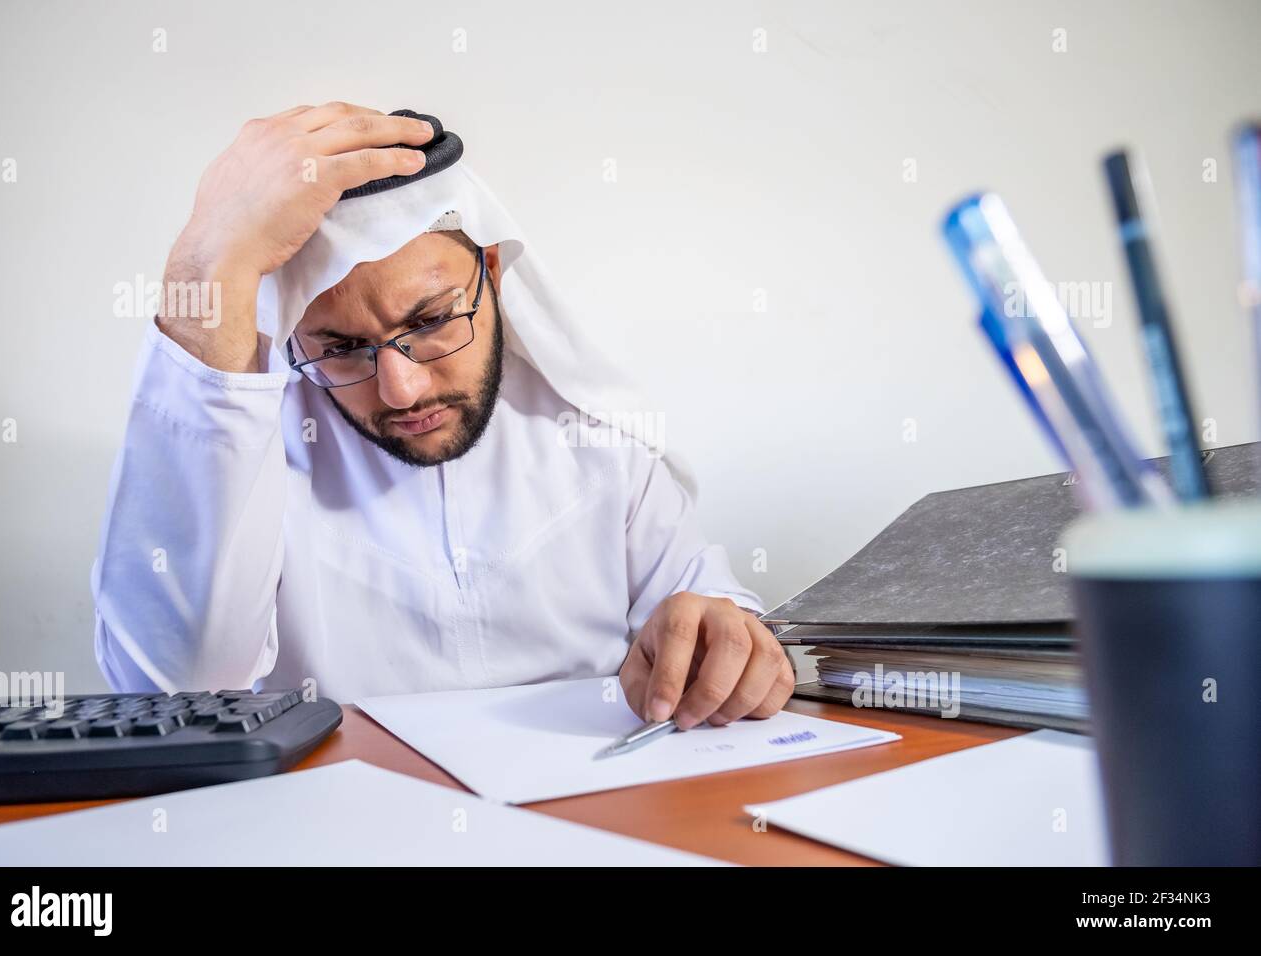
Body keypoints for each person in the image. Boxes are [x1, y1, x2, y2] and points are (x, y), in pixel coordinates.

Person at [92, 102, 794, 731]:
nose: (399, 389)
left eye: (429, 320)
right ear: (295, 338)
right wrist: (205, 262)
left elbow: (710, 619)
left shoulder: (596, 436)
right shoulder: (245, 450)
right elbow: (171, 697)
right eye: (339, 348)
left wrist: (727, 641)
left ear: (489, 267)